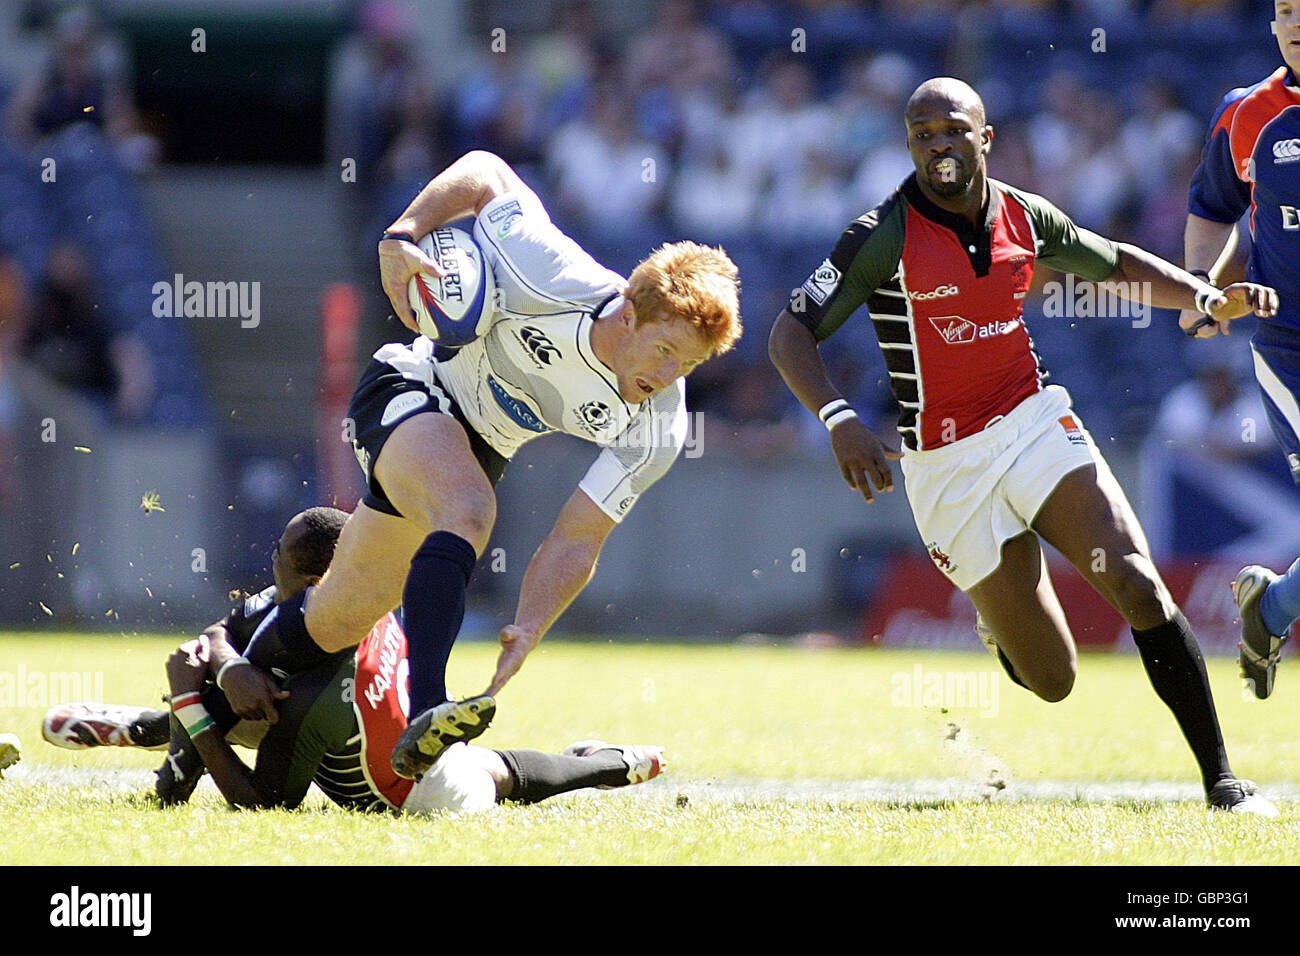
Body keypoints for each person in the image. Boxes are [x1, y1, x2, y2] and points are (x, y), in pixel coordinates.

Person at [768, 76, 1279, 814]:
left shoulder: (1022, 213)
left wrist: (1202, 297)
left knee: (1137, 583)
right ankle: (1002, 627)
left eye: (952, 130)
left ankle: (1223, 783)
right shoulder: (880, 234)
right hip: (944, 466)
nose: (939, 145)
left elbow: (1115, 262)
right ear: (909, 143)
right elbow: (791, 330)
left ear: (987, 136)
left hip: (1032, 421)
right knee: (1053, 679)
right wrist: (841, 419)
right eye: (922, 134)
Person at [239, 153, 740, 782]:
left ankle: (205, 685)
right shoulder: (549, 271)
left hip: (476, 450)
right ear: (629, 314)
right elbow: (486, 170)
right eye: (665, 350)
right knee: (470, 509)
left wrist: (529, 626)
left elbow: (578, 537)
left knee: (339, 617)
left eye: (686, 366)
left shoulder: (660, 424)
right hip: (414, 383)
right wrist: (400, 236)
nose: (667, 376)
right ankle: (429, 712)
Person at [43, 508, 665, 813]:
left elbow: (263, 805)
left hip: (416, 787)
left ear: (311, 574)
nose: (272, 557)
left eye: (281, 552)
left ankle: (611, 763)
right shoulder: (328, 603)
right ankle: (143, 731)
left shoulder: (328, 677)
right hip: (369, 726)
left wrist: (188, 703)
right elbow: (225, 628)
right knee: (239, 687)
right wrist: (229, 666)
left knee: (501, 776)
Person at [1184, 0, 1300, 699]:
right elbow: (1210, 211)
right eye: (1285, 9)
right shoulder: (1247, 112)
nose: (1295, 21)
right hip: (1292, 348)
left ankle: (1273, 607)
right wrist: (1202, 291)